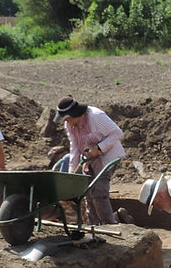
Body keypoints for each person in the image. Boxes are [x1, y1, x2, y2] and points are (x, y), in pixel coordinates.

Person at [49, 96, 125, 225]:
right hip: (89, 159)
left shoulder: (96, 117)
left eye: (67, 118)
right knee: (88, 193)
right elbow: (74, 149)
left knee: (99, 192)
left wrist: (99, 148)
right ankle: (94, 226)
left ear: (75, 114)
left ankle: (109, 225)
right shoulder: (70, 125)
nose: (66, 121)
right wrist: (72, 174)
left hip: (108, 156)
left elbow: (117, 133)